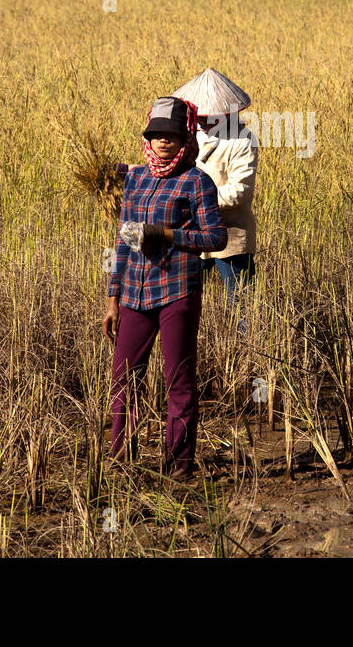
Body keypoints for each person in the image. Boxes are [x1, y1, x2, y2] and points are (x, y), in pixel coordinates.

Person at [104, 96, 226, 480]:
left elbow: (216, 237)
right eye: (156, 134)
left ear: (186, 137)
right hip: (134, 297)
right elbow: (123, 241)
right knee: (123, 380)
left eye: (171, 135)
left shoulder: (196, 182)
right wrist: (112, 299)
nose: (163, 142)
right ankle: (120, 460)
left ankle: (180, 466)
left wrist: (167, 234)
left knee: (178, 381)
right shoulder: (137, 178)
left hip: (176, 292)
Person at [172, 69, 258, 324]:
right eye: (201, 115)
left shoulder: (242, 140)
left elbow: (239, 191)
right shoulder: (187, 137)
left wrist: (196, 201)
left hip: (230, 234)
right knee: (184, 304)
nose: (205, 120)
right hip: (192, 235)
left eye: (212, 116)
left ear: (229, 113)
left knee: (241, 306)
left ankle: (249, 353)